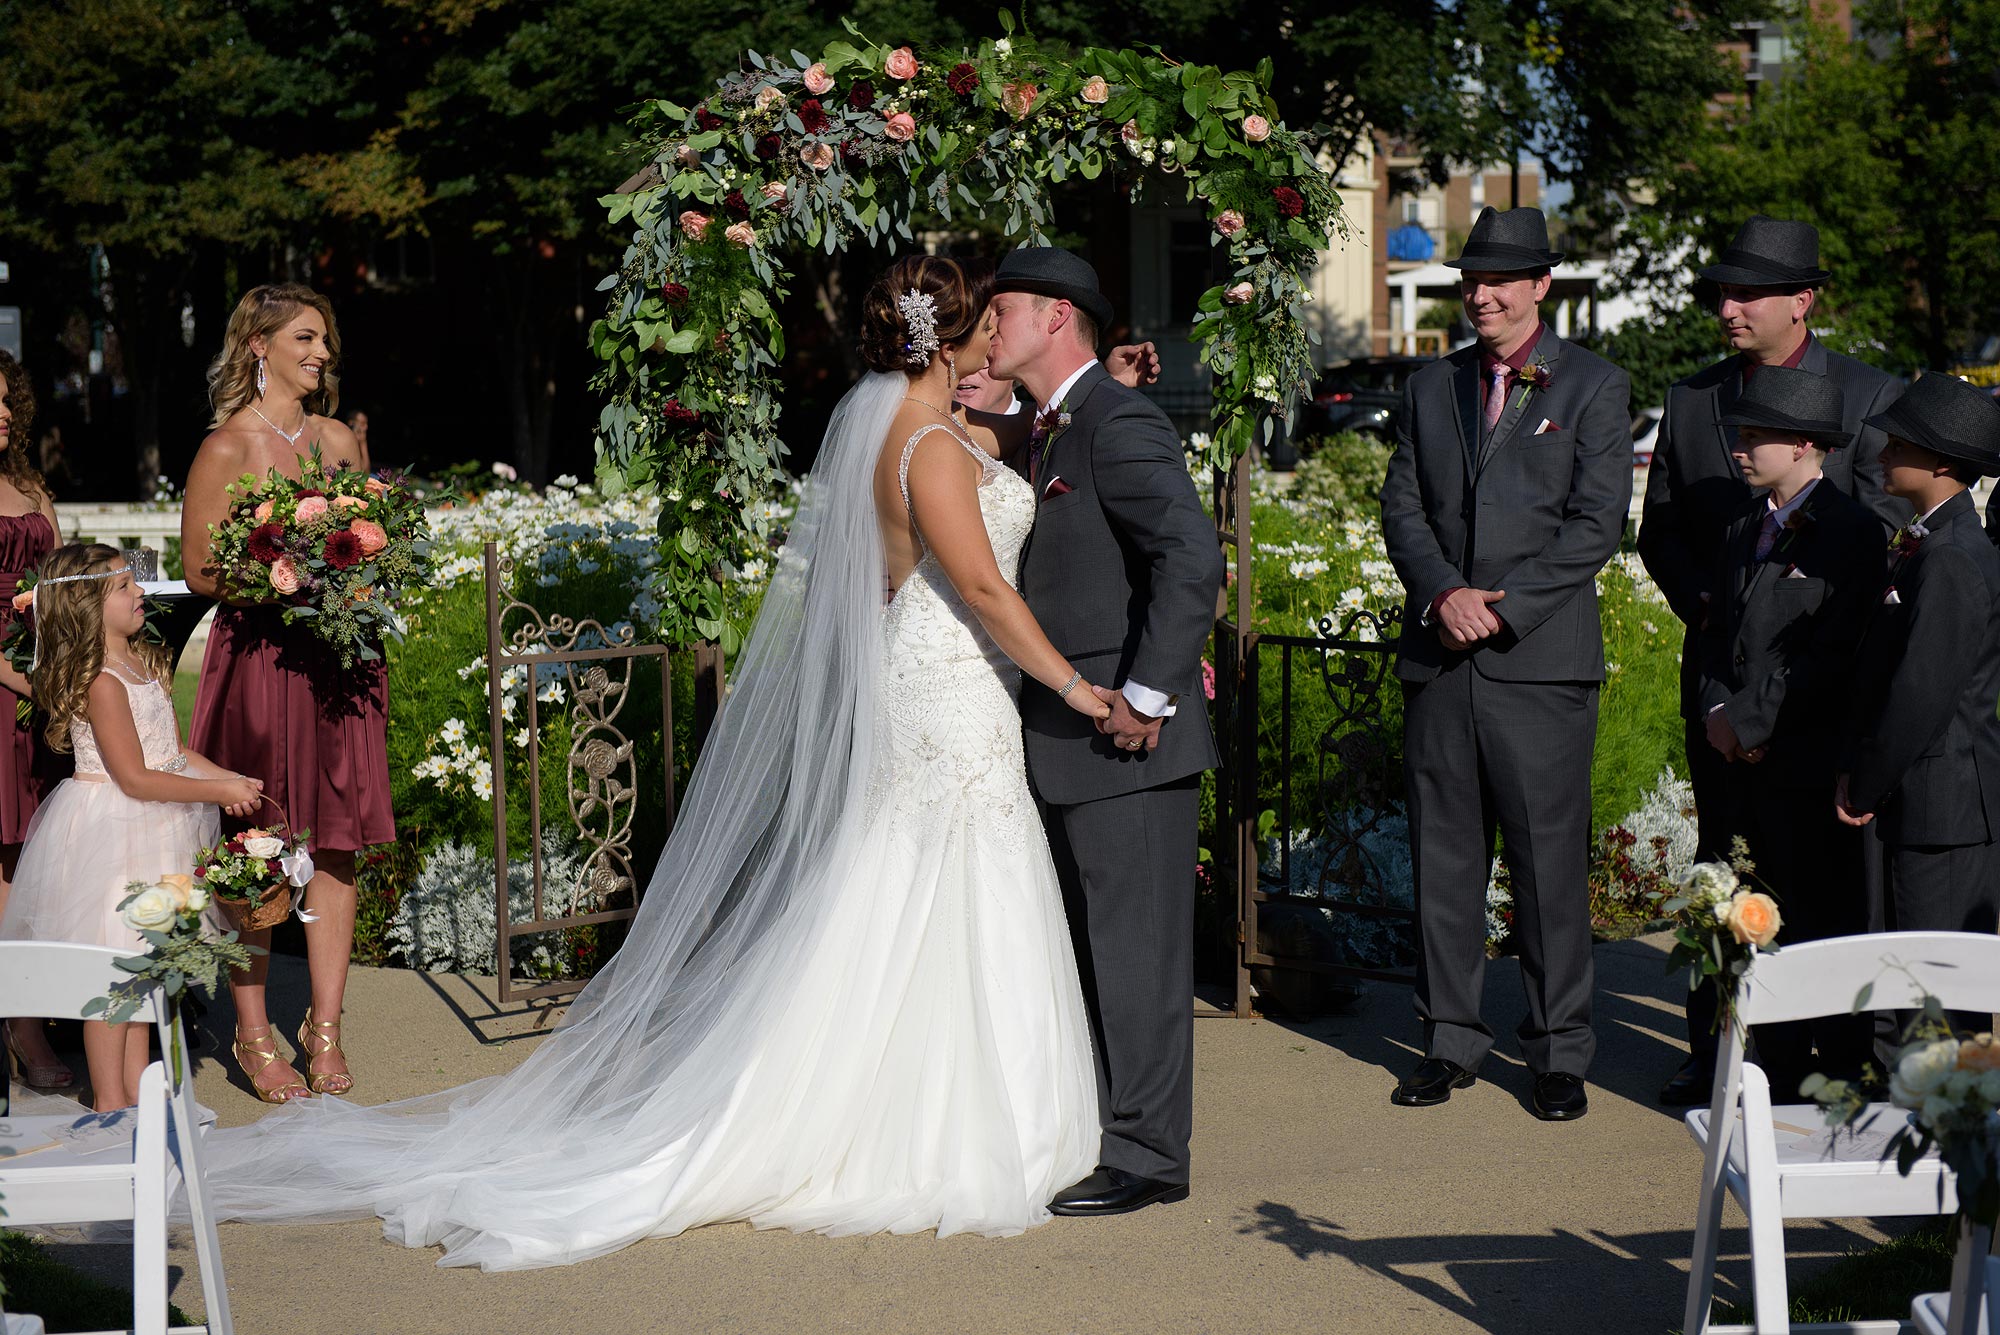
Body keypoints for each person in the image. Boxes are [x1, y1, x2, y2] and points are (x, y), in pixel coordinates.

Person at [202, 255, 1119, 1267]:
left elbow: (1003, 459)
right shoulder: (932, 447)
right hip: (950, 689)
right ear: (951, 338)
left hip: (944, 684)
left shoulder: (925, 428)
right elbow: (985, 592)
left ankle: (947, 1099)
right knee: (941, 882)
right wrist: (1077, 690)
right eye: (987, 320)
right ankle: (947, 1121)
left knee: (912, 890)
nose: (1001, 334)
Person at [1638, 215, 1907, 1106]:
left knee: (1813, 881)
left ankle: (1817, 1052)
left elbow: (1870, 552)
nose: (1729, 306)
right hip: (1718, 681)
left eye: (1750, 292)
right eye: (1722, 290)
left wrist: (1773, 697)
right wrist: (1710, 609)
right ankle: (1715, 1048)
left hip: (1812, 696)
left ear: (1803, 300)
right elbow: (1662, 530)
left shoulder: (1868, 398)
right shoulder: (1692, 398)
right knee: (1724, 865)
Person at [1379, 206, 1632, 1123]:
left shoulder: (1596, 386)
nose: (1479, 296)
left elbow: (1594, 526)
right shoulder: (1429, 384)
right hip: (1441, 661)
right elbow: (1401, 506)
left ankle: (1560, 1053)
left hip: (1538, 664)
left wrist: (1502, 607)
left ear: (1540, 289)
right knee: (1444, 863)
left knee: (1546, 867)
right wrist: (1444, 591)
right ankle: (1448, 1042)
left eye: (1498, 282)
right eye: (1469, 282)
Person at [986, 247, 1224, 1215]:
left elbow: (1190, 558)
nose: (986, 325)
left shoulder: (1116, 423)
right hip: (1057, 736)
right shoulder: (1048, 426)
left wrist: (1147, 696)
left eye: (1000, 308)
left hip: (1123, 739)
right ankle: (1103, 1127)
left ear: (1054, 317)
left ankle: (1148, 1156)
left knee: (1138, 956)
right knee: (1092, 951)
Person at [180, 283, 392, 1103]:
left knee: (335, 843)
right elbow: (202, 568)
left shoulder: (339, 440)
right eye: (307, 337)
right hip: (261, 662)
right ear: (259, 346)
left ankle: (326, 1029)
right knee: (257, 846)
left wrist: (353, 569)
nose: (323, 353)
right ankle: (255, 1027)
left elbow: (370, 542)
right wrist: (285, 575)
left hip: (341, 663)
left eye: (327, 341)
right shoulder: (227, 447)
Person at [0, 544, 262, 1111]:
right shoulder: (100, 681)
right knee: (111, 976)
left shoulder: (144, 664)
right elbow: (136, 779)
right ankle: (109, 1104)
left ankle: (137, 1098)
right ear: (87, 606)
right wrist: (217, 792)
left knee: (145, 971)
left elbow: (173, 753)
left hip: (161, 828)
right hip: (113, 831)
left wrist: (228, 775)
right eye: (125, 587)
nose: (141, 592)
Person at [1697, 367, 1882, 1094]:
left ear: (1805, 443)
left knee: (1818, 916)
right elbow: (1719, 638)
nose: (1739, 450)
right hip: (1743, 764)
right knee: (1753, 918)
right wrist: (1719, 713)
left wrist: (1750, 721)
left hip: (1805, 761)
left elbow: (1833, 651)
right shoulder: (1744, 525)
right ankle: (1761, 1063)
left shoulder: (1852, 532)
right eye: (1738, 435)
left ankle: (1835, 1071)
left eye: (1754, 436)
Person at [1836, 373, 2000, 1041]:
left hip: (1943, 805)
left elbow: (1922, 690)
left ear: (1939, 461)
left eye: (1896, 443)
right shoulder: (1931, 541)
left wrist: (1865, 781)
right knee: (1915, 986)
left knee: (1934, 997)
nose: (1879, 455)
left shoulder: (1954, 558)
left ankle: (1942, 1133)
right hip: (1931, 798)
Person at [0, 351, 73, 1090]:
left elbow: (61, 586)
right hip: (6, 683)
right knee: (6, 857)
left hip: (42, 683)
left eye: (6, 400)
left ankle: (35, 1010)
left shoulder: (31, 489)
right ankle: (22, 1030)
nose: (1, 413)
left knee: (41, 854)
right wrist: (20, 677)